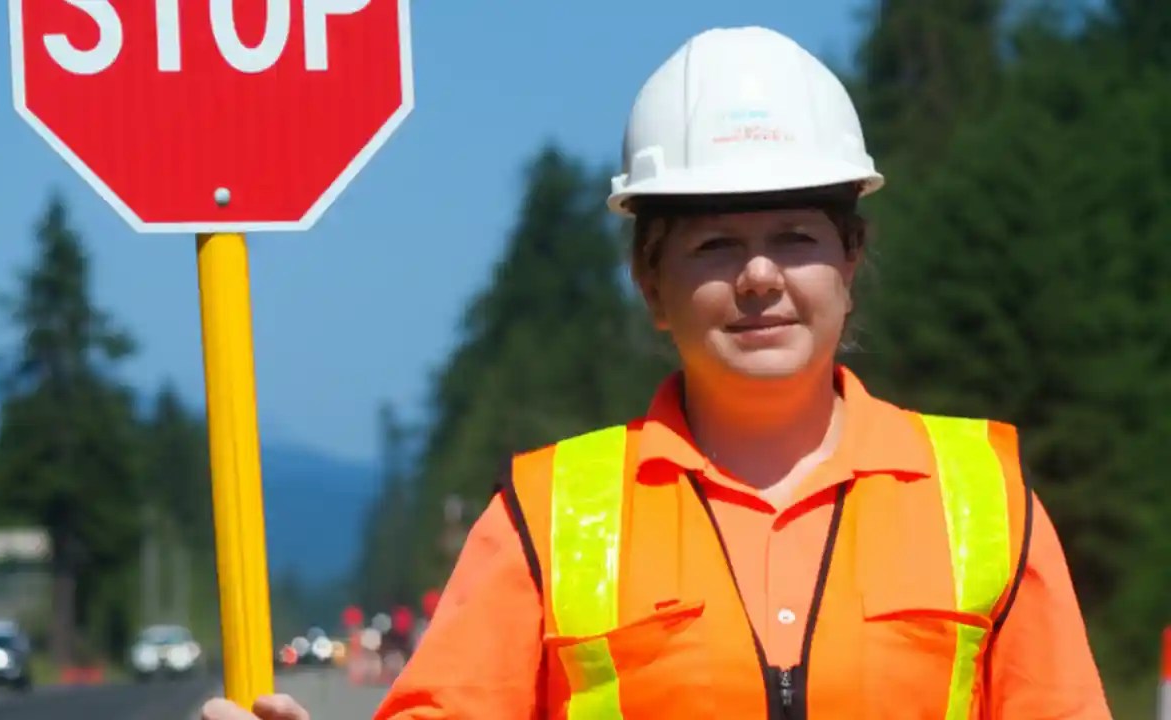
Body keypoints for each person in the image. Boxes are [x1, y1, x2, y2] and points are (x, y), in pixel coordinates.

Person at [203, 25, 1112, 720]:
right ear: (652, 283)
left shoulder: (981, 499)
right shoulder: (551, 513)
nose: (759, 277)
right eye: (716, 245)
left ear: (850, 256)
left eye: (794, 237)